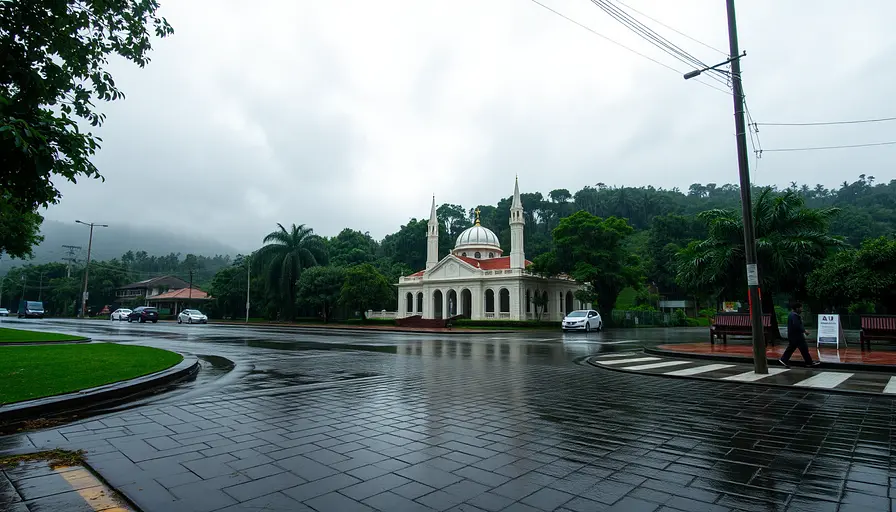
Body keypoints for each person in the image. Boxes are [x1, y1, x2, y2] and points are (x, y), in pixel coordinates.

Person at [778, 302, 821, 368]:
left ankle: (783, 359)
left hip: (793, 336)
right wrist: (804, 331)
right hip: (797, 336)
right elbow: (797, 325)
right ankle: (809, 362)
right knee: (804, 349)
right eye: (800, 308)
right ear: (797, 308)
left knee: (791, 348)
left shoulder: (791, 315)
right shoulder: (795, 316)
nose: (801, 309)